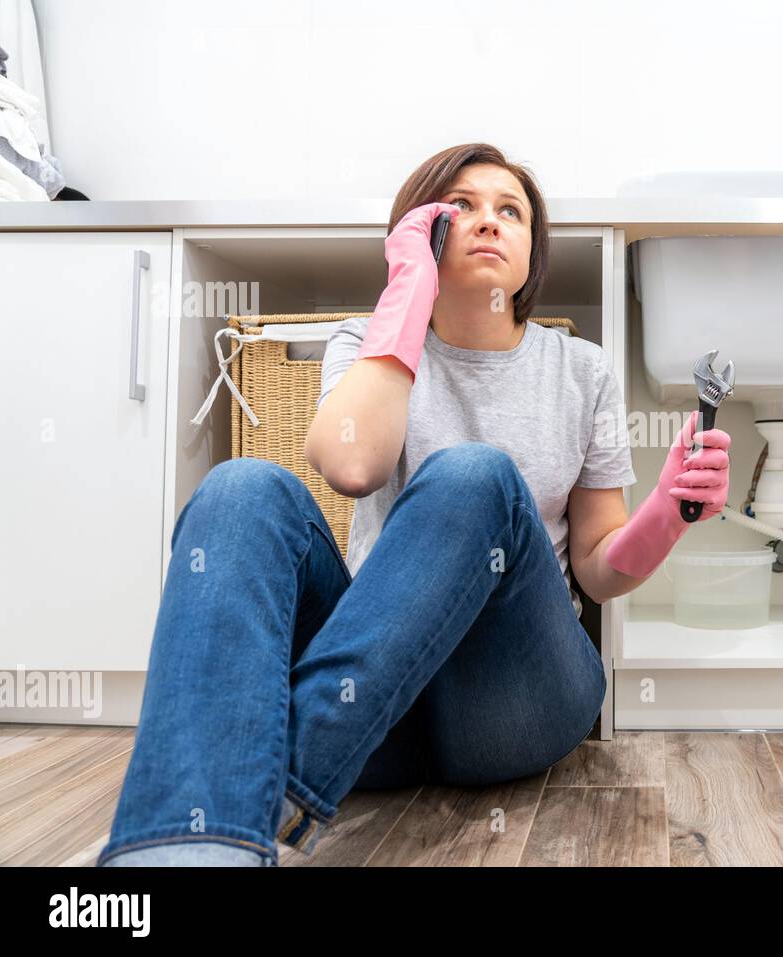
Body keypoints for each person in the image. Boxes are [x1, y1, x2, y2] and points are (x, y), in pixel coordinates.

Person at [96, 143, 731, 866]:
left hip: (515, 699)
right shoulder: (365, 346)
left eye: (511, 211)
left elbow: (597, 568)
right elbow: (352, 464)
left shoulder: (581, 371)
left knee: (477, 477)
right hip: (377, 709)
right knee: (241, 490)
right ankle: (187, 848)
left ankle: (271, 766)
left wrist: (667, 512)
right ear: (418, 229)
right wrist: (406, 291)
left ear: (533, 254)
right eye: (460, 206)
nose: (488, 221)